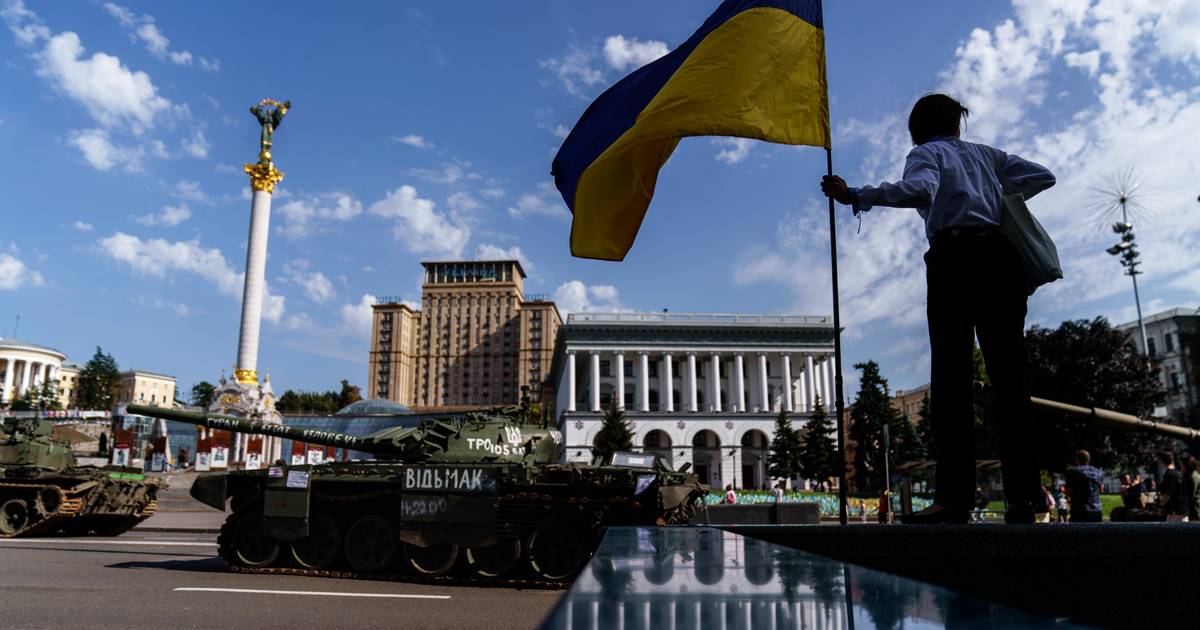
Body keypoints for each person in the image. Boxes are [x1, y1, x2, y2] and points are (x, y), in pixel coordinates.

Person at [821, 93, 1055, 525]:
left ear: (917, 128)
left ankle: (955, 500)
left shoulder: (925, 153)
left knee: (952, 380)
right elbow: (1043, 176)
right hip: (1000, 261)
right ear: (956, 124)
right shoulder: (988, 155)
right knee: (1010, 380)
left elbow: (920, 189)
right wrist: (997, 193)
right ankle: (1026, 499)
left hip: (954, 261)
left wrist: (856, 193)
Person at [1064, 449, 1104, 523]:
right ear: (1089, 459)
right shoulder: (1098, 472)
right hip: (1096, 509)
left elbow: (1068, 491)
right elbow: (1101, 489)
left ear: (1077, 459)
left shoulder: (1073, 472)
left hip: (1079, 510)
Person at [1157, 452, 1187, 518]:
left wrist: (1160, 506)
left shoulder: (1168, 475)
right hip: (1183, 509)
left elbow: (1167, 494)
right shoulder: (1178, 473)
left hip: (1175, 511)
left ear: (1161, 462)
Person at [1183, 457, 1200, 522]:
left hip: (1195, 511)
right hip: (1194, 510)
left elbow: (1190, 496)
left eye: (1182, 465)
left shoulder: (1193, 477)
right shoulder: (1193, 476)